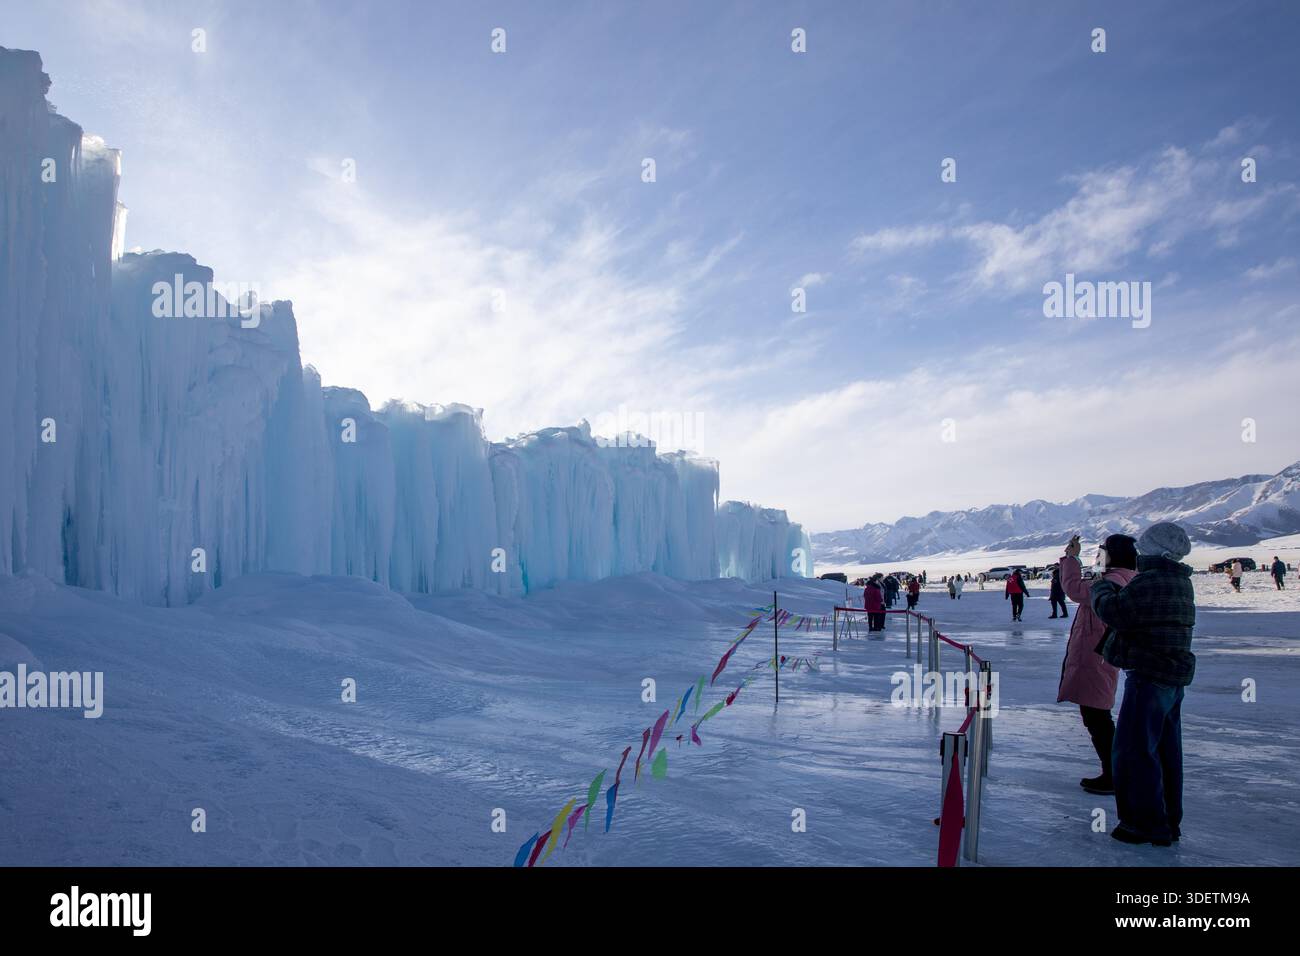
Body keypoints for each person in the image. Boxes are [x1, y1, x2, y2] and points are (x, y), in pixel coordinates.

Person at [1091, 522, 1196, 847]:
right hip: (1171, 678)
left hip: (1149, 675)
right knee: (1166, 751)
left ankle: (1141, 822)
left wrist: (1100, 587)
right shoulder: (1180, 581)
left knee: (1134, 750)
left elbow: (1115, 611)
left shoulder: (1151, 581)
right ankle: (1166, 820)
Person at [1058, 534, 1136, 795]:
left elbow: (1076, 590)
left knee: (1097, 716)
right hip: (1095, 653)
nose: (1099, 555)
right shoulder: (1119, 575)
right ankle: (1114, 771)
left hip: (1096, 655)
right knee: (1095, 715)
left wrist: (1072, 559)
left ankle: (1114, 774)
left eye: (1103, 551)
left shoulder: (1114, 579)